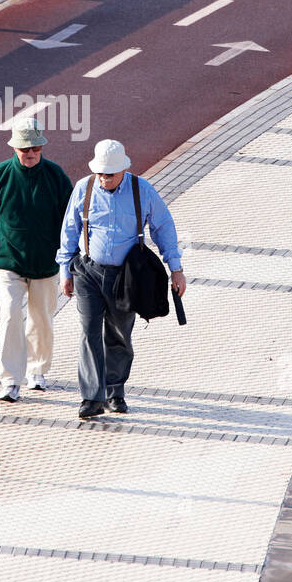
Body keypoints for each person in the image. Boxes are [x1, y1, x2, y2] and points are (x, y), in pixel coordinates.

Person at [57, 139, 185, 420]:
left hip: (125, 278)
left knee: (119, 335)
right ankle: (91, 397)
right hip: (88, 273)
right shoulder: (84, 189)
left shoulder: (142, 190)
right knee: (89, 333)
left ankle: (115, 391)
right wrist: (65, 271)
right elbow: (69, 229)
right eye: (100, 173)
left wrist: (175, 268)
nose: (104, 179)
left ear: (123, 171)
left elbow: (163, 226)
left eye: (109, 174)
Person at [0, 119, 73, 403]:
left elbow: (71, 220)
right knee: (11, 315)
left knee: (42, 319)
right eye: (25, 148)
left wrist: (71, 260)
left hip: (46, 264)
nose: (31, 153)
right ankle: (10, 380)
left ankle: (37, 371)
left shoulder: (56, 177)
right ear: (14, 147)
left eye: (36, 147)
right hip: (8, 262)